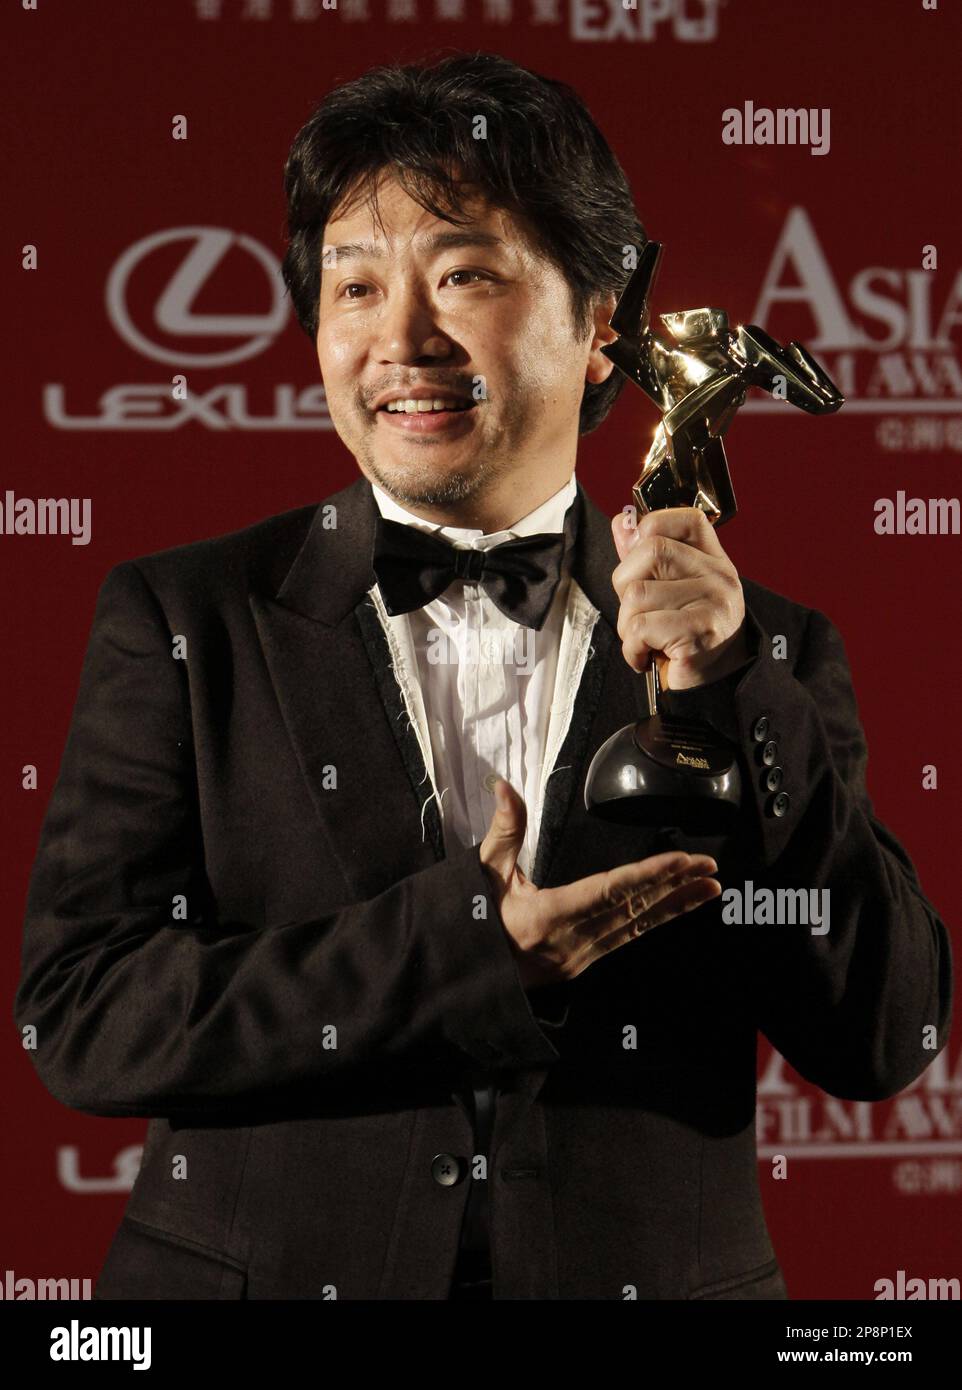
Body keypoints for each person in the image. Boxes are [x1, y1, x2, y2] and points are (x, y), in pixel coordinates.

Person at [15, 52, 952, 1301]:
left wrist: (729, 686)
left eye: (462, 274)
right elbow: (84, 1012)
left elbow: (883, 1036)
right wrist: (467, 952)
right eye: (353, 285)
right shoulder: (186, 620)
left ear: (603, 315)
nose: (398, 339)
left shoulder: (763, 656)